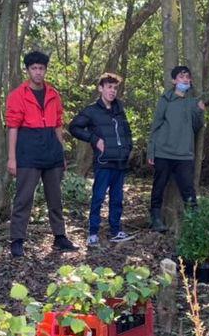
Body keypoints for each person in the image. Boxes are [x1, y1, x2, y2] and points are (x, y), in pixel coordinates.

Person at [7, 51, 77, 257]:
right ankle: (17, 239)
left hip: (51, 149)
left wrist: (61, 152)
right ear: (28, 70)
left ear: (46, 70)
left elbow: (57, 124)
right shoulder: (17, 95)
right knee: (24, 197)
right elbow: (12, 127)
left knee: (55, 197)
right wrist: (12, 158)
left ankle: (60, 236)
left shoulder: (54, 94)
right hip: (28, 149)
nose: (38, 72)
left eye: (41, 68)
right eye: (34, 68)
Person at [69, 72, 133, 246]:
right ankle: (93, 233)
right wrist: (94, 139)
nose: (112, 91)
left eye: (115, 88)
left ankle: (115, 230)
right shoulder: (91, 111)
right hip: (103, 163)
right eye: (109, 87)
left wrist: (128, 150)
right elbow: (73, 127)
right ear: (100, 88)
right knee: (98, 197)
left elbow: (127, 133)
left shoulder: (119, 110)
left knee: (117, 199)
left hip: (120, 162)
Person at [147, 65, 206, 231]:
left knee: (188, 188)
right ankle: (156, 219)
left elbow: (196, 127)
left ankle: (195, 222)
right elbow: (156, 126)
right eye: (181, 77)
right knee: (159, 185)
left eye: (187, 77)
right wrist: (151, 150)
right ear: (174, 80)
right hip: (163, 152)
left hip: (184, 154)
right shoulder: (165, 99)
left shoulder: (193, 102)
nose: (185, 80)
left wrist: (200, 112)